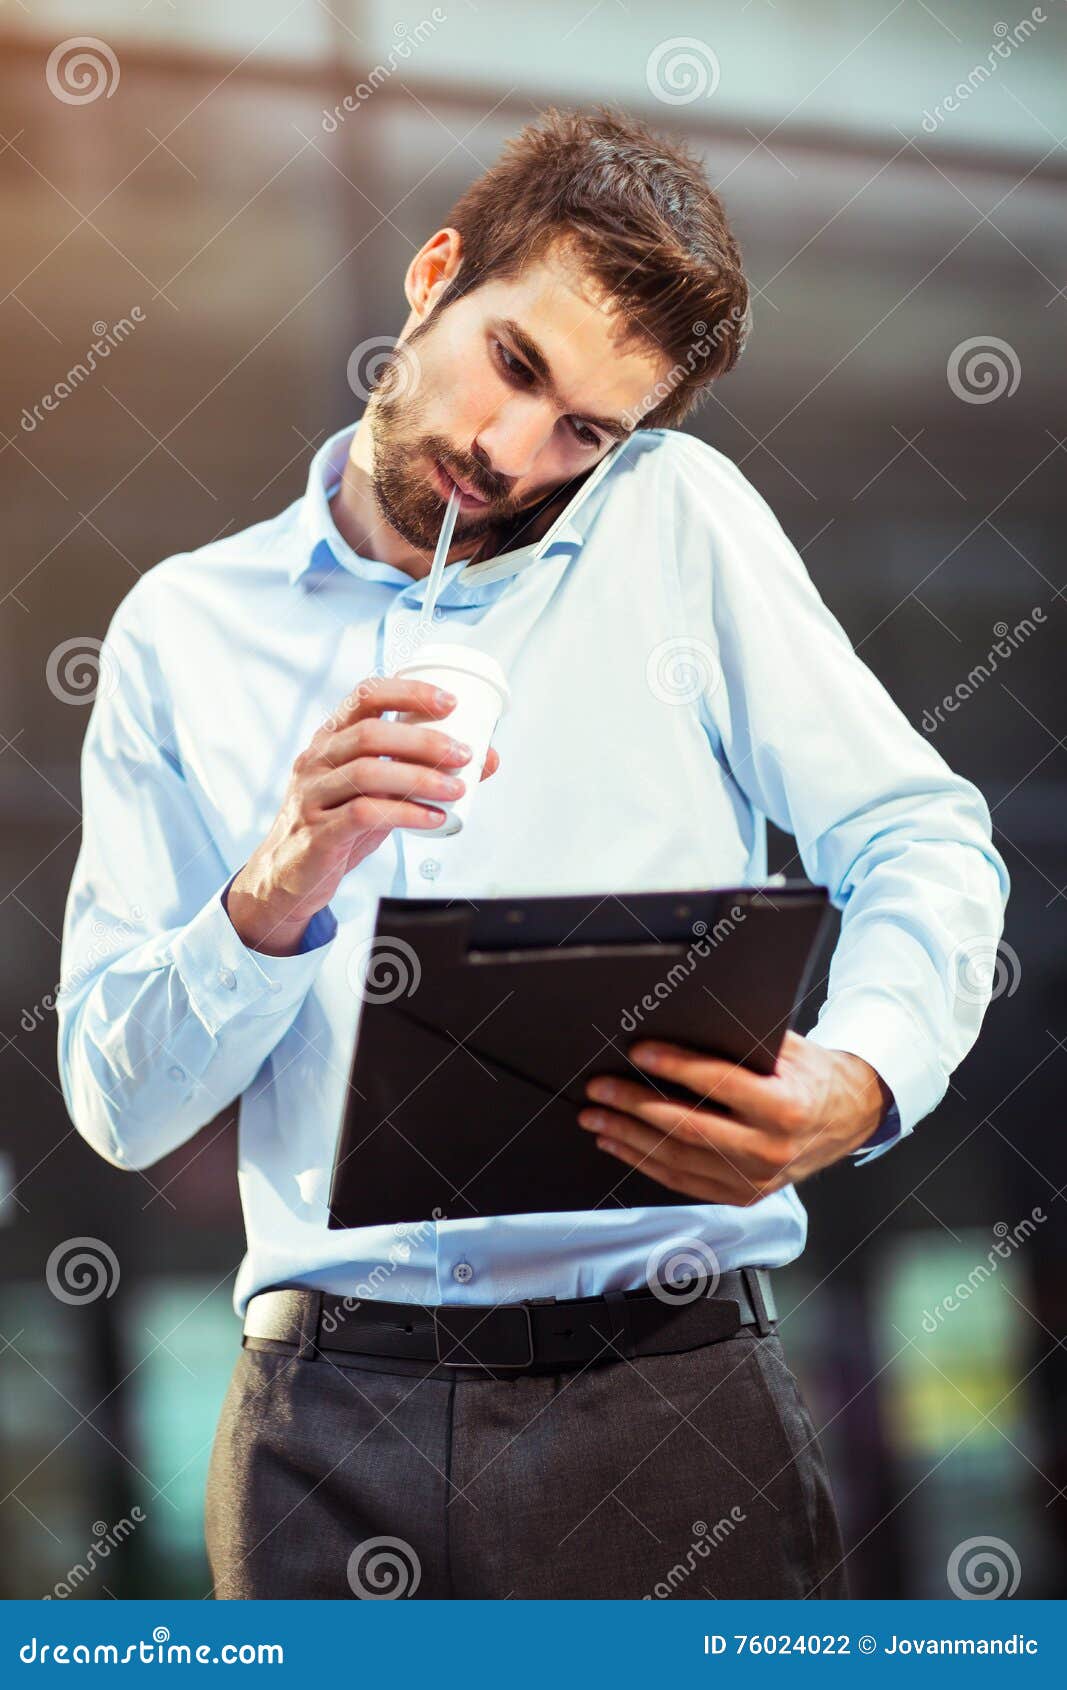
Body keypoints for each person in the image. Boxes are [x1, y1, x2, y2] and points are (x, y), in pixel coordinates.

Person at [57, 107, 1009, 1600]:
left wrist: (862, 1074)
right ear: (437, 276)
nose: (511, 454)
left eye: (585, 429)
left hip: (672, 1391)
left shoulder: (675, 525)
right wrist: (278, 883)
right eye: (514, 364)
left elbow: (921, 834)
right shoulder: (184, 628)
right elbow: (116, 1102)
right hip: (323, 1416)